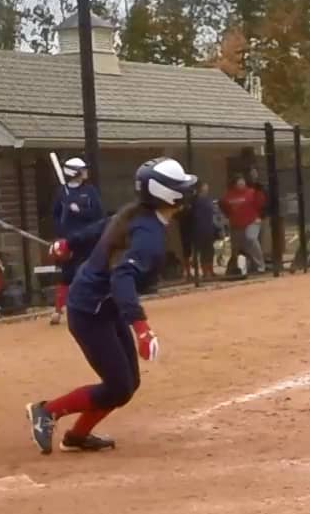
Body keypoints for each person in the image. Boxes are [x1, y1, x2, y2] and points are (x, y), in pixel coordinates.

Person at [26, 158, 194, 455]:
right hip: (89, 310)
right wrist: (141, 327)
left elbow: (102, 226)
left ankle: (76, 437)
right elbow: (122, 277)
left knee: (126, 384)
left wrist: (69, 242)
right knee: (118, 386)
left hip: (104, 307)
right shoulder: (148, 234)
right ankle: (46, 411)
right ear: (167, 195)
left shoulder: (138, 215)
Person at [49, 156, 105, 326]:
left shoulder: (90, 191)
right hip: (70, 241)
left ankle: (95, 307)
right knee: (67, 275)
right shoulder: (61, 193)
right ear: (74, 173)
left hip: (88, 239)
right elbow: (55, 215)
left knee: (90, 272)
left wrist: (79, 210)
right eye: (82, 170)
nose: (85, 172)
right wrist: (61, 236)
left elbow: (98, 215)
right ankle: (58, 310)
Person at [219, 174, 266, 277]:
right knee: (236, 247)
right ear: (234, 184)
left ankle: (260, 266)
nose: (241, 183)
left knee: (250, 238)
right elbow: (224, 206)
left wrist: (260, 216)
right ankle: (237, 268)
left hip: (252, 222)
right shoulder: (229, 195)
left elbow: (261, 203)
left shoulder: (251, 192)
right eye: (238, 181)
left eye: (242, 181)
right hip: (236, 225)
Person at [184, 179, 219, 281]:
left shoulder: (209, 199)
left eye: (206, 186)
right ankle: (203, 272)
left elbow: (214, 213)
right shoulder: (194, 200)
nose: (206, 188)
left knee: (209, 250)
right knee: (199, 250)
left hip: (209, 227)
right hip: (198, 228)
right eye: (204, 186)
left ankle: (210, 270)